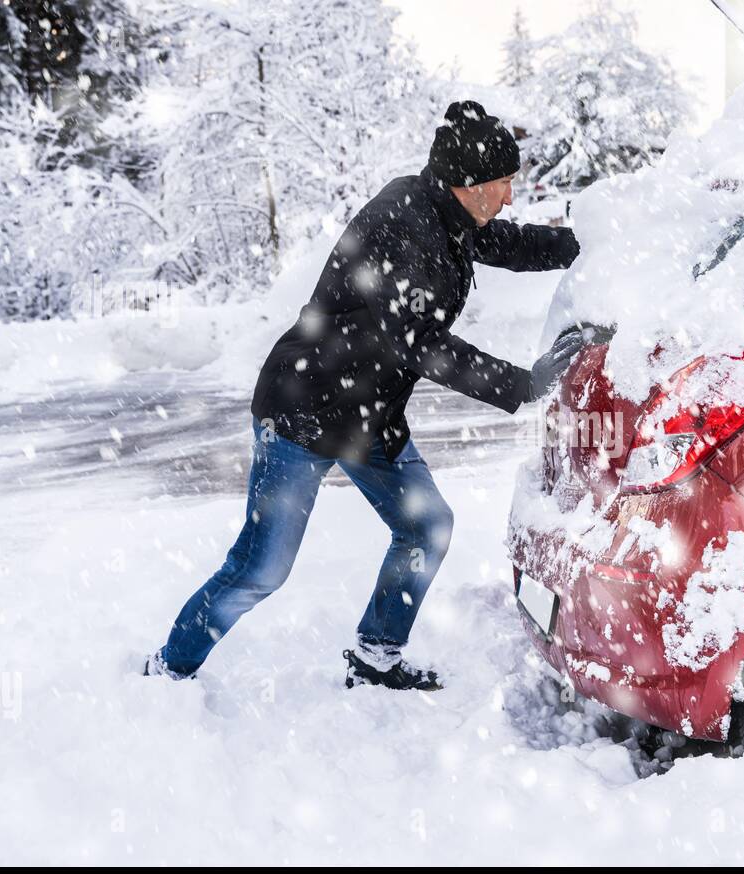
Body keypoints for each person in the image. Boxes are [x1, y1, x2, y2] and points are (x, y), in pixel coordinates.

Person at [146, 101, 586, 691]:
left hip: (366, 414)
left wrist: (585, 244)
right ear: (470, 183)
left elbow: (507, 242)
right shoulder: (405, 226)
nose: (509, 196)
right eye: (504, 183)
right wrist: (522, 384)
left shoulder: (446, 213)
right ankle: (168, 671)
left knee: (426, 528)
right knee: (261, 567)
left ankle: (377, 654)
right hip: (303, 409)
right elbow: (423, 344)